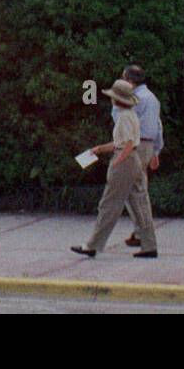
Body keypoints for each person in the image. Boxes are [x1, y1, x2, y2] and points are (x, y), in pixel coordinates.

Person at [71, 80, 158, 258]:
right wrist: (100, 149)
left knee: (109, 204)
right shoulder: (132, 115)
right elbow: (126, 141)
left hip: (125, 162)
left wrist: (118, 161)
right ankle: (149, 245)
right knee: (139, 203)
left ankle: (92, 245)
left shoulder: (124, 117)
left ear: (117, 100)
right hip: (134, 160)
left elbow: (127, 144)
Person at [119, 64, 163, 250]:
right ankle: (140, 233)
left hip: (135, 146)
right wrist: (156, 150)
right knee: (137, 190)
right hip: (147, 145)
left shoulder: (134, 99)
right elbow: (158, 125)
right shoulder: (152, 98)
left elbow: (123, 123)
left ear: (129, 80)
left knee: (136, 194)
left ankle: (145, 236)